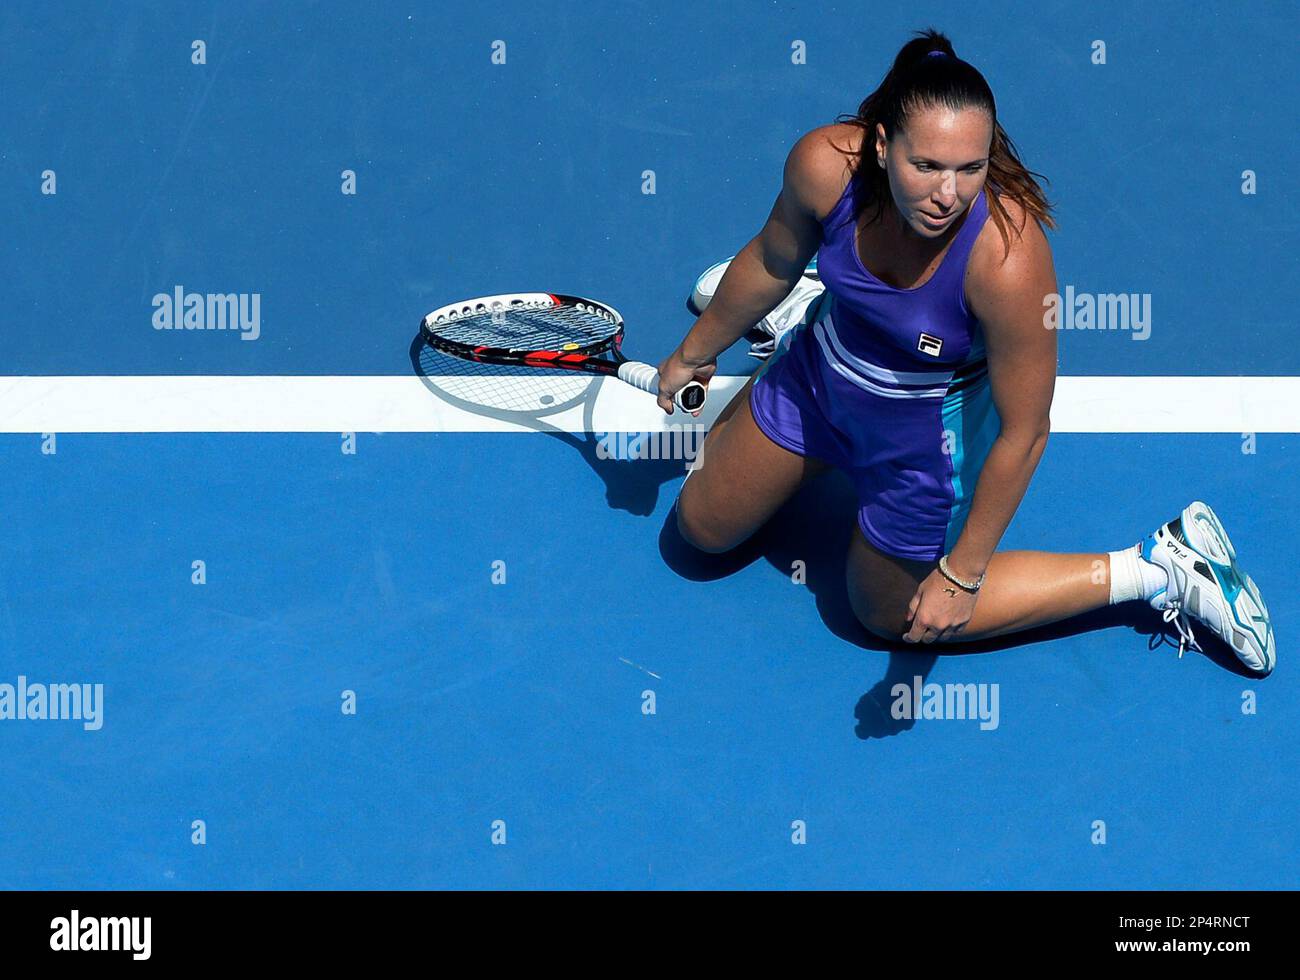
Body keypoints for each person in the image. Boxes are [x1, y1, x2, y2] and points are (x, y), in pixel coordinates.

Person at [654, 29, 1274, 675]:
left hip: (925, 436)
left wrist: (964, 573)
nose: (948, 195)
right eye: (927, 167)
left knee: (891, 616)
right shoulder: (824, 166)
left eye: (969, 168)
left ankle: (1156, 567)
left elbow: (1026, 431)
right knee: (701, 530)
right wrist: (693, 353)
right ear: (882, 145)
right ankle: (815, 313)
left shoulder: (1006, 259)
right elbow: (772, 256)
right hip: (824, 374)